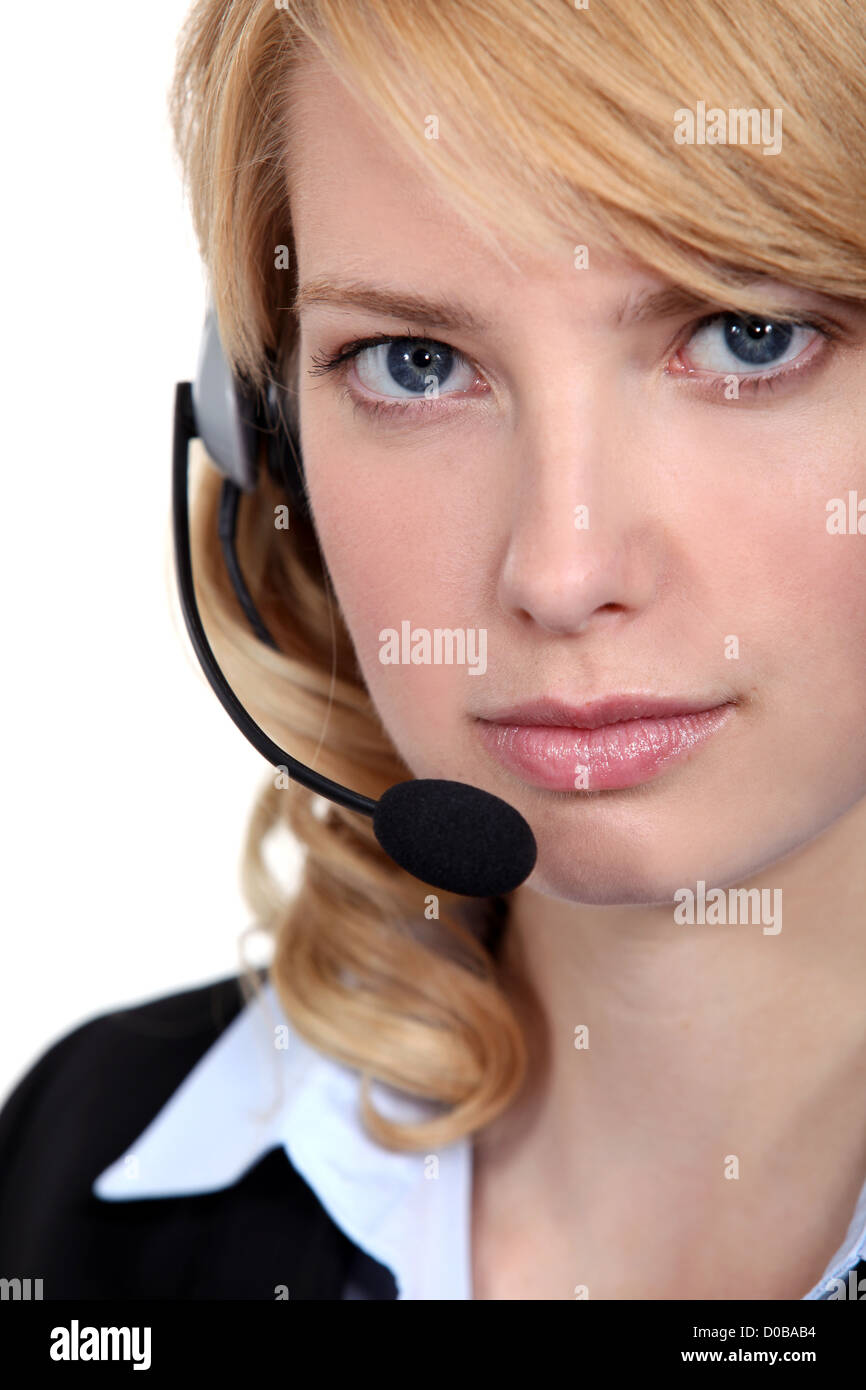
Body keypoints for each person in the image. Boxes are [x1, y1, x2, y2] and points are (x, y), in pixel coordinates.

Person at [2, 0, 866, 1301]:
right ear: (263, 438)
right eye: (412, 364)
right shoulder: (76, 1170)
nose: (560, 575)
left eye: (747, 334)